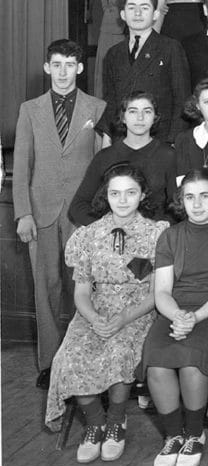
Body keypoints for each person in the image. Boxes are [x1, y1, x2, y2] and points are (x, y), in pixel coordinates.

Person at [45, 165, 168, 463]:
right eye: (115, 193)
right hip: (95, 310)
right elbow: (82, 292)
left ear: (142, 196)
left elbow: (156, 292)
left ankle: (116, 421)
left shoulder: (156, 233)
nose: (122, 200)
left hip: (138, 310)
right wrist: (92, 317)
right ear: (106, 196)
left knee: (119, 351)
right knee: (70, 356)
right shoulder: (88, 235)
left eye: (130, 193)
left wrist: (125, 318)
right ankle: (95, 422)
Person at [14, 39, 107, 388]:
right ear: (47, 68)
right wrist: (23, 212)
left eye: (70, 64)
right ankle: (50, 364)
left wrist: (99, 215)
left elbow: (102, 165)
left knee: (83, 287)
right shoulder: (30, 109)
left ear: (80, 69)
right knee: (46, 287)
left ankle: (84, 359)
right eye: (57, 64)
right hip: (41, 214)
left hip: (82, 215)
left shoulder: (97, 108)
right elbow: (21, 165)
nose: (63, 71)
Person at [143, 169, 208, 466]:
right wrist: (178, 315)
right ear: (181, 200)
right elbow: (163, 291)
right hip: (174, 309)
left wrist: (195, 317)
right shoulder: (170, 236)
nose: (197, 204)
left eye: (204, 196)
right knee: (156, 362)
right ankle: (172, 435)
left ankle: (194, 434)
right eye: (190, 197)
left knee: (191, 361)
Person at [99, 0, 192, 144]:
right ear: (122, 14)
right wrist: (107, 137)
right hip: (123, 140)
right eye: (131, 8)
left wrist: (174, 141)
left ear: (155, 14)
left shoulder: (170, 48)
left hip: (160, 140)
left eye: (144, 8)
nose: (137, 13)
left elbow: (182, 98)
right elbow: (110, 100)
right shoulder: (113, 53)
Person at [70, 92, 177, 225]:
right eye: (133, 111)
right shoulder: (105, 156)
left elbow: (177, 206)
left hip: (153, 237)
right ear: (123, 118)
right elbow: (78, 206)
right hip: (112, 238)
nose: (140, 117)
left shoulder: (168, 155)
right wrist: (105, 229)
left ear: (155, 117)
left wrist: (155, 229)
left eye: (147, 111)